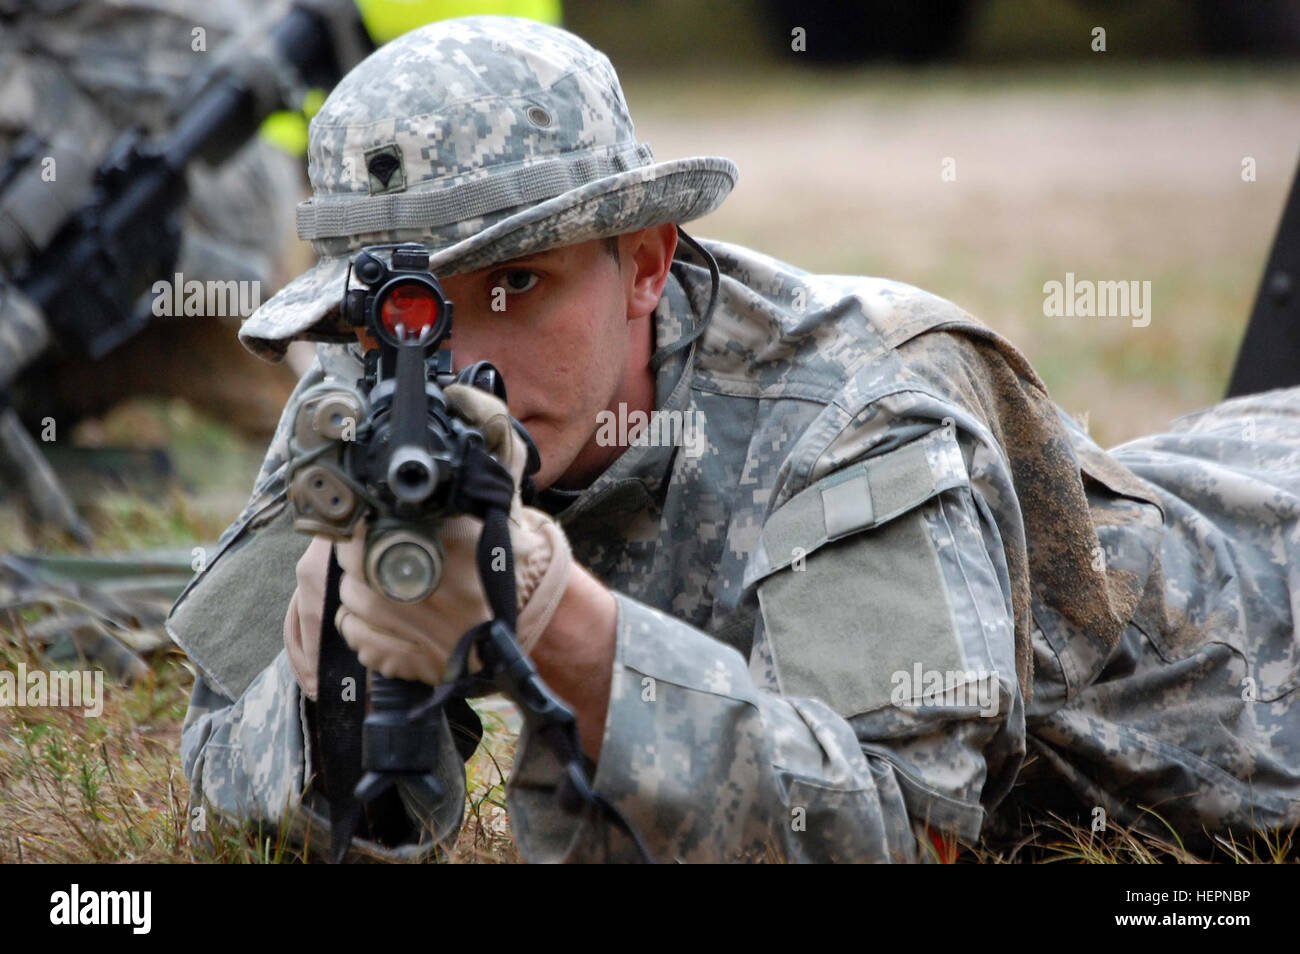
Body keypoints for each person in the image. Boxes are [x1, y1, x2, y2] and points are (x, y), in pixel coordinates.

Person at [170, 16, 1300, 863]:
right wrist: (327, 702)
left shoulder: (853, 405)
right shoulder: (373, 401)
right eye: (404, 310)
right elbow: (225, 770)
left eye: (518, 281)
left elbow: (895, 828)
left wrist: (560, 621)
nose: (467, 365)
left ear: (646, 262)